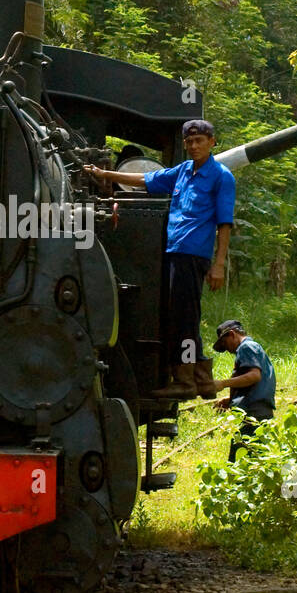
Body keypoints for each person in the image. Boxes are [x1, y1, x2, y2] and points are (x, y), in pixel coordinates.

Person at [86, 119, 235, 399]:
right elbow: (144, 179)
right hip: (174, 251)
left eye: (199, 141)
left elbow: (225, 223)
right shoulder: (182, 171)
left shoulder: (222, 176)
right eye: (189, 142)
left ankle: (185, 379)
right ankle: (201, 379)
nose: (193, 146)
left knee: (185, 320)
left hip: (193, 254)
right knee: (180, 316)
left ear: (212, 142)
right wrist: (106, 174)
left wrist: (219, 264)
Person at [211, 319, 276, 460]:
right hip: (258, 413)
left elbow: (254, 376)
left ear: (232, 334)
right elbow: (255, 385)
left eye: (224, 343)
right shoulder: (253, 348)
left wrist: (223, 383)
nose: (227, 349)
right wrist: (231, 400)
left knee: (240, 465)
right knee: (255, 463)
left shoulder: (246, 347)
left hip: (251, 414)